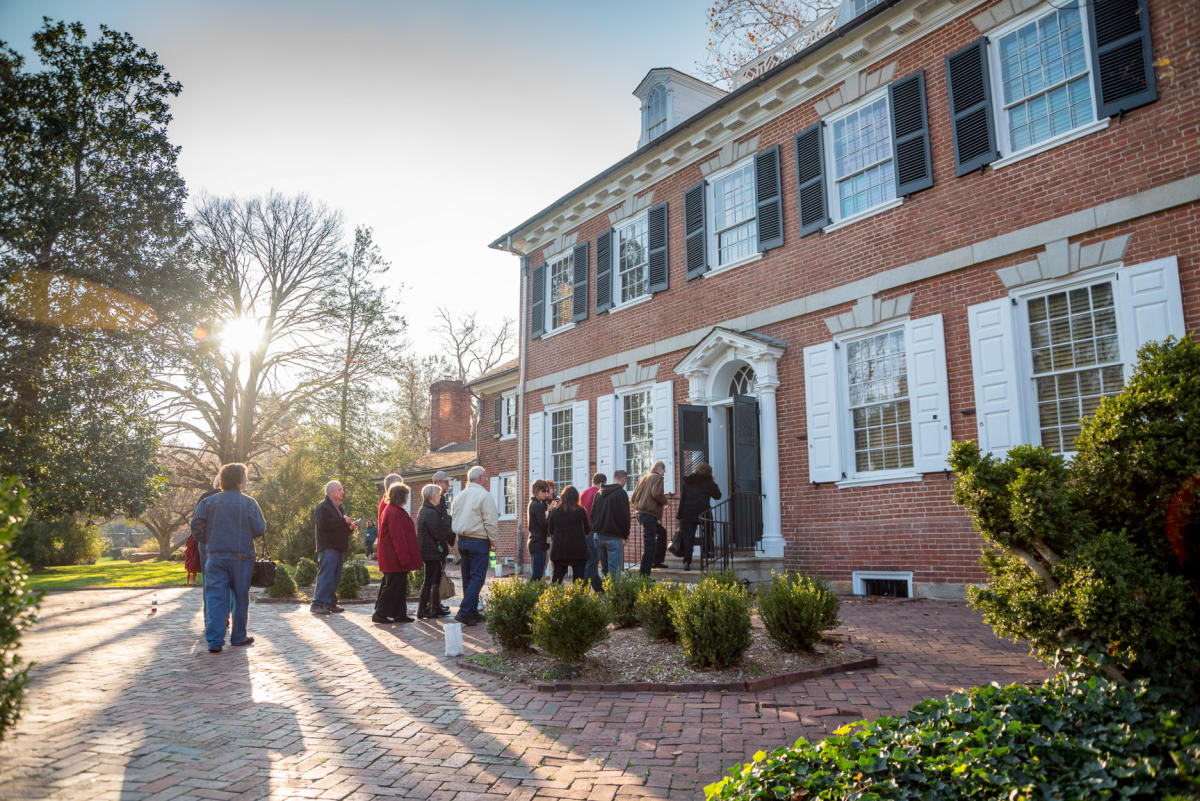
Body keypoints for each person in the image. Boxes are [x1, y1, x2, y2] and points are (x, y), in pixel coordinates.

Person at [190, 462, 265, 653]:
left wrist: (209, 541)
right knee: (240, 598)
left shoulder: (208, 502)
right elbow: (259, 528)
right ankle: (238, 636)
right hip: (241, 557)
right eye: (245, 477)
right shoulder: (248, 502)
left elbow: (196, 526)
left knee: (215, 597)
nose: (247, 480)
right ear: (239, 480)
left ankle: (214, 640)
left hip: (215, 555)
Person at [450, 465, 499, 626]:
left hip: (463, 540)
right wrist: (493, 540)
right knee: (477, 577)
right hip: (478, 540)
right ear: (479, 478)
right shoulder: (485, 496)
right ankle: (465, 611)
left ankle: (471, 611)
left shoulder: (459, 496)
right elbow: (490, 521)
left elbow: (454, 517)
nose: (486, 479)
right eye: (484, 476)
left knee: (468, 577)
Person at [373, 482, 422, 624]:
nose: (407, 498)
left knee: (400, 587)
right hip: (393, 558)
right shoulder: (393, 512)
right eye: (406, 495)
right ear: (400, 496)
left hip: (394, 557)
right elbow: (398, 538)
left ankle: (400, 613)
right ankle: (380, 613)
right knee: (392, 587)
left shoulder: (394, 510)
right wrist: (404, 558)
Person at [312, 479, 356, 615]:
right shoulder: (322, 507)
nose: (342, 492)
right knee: (326, 575)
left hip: (338, 547)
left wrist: (350, 528)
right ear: (331, 492)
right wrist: (343, 521)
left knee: (335, 576)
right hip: (328, 547)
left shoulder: (339, 507)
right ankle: (317, 604)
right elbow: (324, 525)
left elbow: (338, 527)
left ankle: (330, 603)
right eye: (339, 489)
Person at [416, 483, 453, 619]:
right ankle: (423, 609)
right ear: (432, 496)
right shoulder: (430, 512)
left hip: (429, 550)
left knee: (434, 579)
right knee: (431, 579)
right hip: (431, 551)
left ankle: (433, 607)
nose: (440, 496)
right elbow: (437, 533)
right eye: (438, 494)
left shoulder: (426, 509)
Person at [676, 462, 722, 570]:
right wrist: (713, 482)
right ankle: (707, 552)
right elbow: (718, 496)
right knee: (708, 531)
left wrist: (679, 517)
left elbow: (683, 500)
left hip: (688, 512)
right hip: (703, 512)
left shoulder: (688, 481)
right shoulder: (708, 481)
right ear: (709, 472)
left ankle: (687, 561)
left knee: (688, 538)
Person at [590, 470, 630, 577]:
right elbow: (625, 518)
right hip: (614, 537)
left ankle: (606, 593)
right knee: (614, 573)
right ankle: (612, 593)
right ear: (623, 480)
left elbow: (592, 515)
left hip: (598, 536)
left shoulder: (598, 493)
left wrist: (597, 529)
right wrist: (625, 536)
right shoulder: (621, 493)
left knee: (605, 571)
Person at [631, 461, 668, 576]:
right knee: (649, 545)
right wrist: (665, 502)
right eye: (664, 471)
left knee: (662, 533)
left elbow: (632, 498)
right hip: (649, 515)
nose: (664, 473)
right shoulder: (658, 478)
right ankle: (644, 575)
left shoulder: (643, 478)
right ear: (660, 469)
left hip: (640, 515)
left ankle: (657, 561)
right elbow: (656, 494)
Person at [548, 485, 589, 584]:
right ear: (576, 497)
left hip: (559, 549)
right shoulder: (581, 510)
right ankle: (578, 599)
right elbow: (587, 530)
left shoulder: (554, 511)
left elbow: (550, 530)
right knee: (579, 582)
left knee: (556, 582)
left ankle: (552, 599)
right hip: (578, 550)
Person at [430, 471, 455, 614]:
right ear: (438, 483)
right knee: (434, 576)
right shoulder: (435, 500)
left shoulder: (442, 499)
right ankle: (433, 605)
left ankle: (436, 603)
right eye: (446, 482)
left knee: (438, 574)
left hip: (441, 541)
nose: (448, 484)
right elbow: (438, 522)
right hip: (435, 544)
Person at [580, 472, 606, 591]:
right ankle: (582, 589)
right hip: (593, 530)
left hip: (582, 531)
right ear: (602, 483)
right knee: (592, 561)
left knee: (592, 562)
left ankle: (599, 590)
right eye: (605, 484)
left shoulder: (583, 493)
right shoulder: (599, 493)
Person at [526, 479, 553, 581]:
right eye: (544, 491)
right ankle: (529, 595)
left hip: (536, 542)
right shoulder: (537, 505)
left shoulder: (535, 503)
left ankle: (533, 594)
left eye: (547, 491)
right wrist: (550, 512)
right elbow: (545, 525)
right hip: (538, 543)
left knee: (537, 574)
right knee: (536, 576)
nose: (546, 494)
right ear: (537, 491)